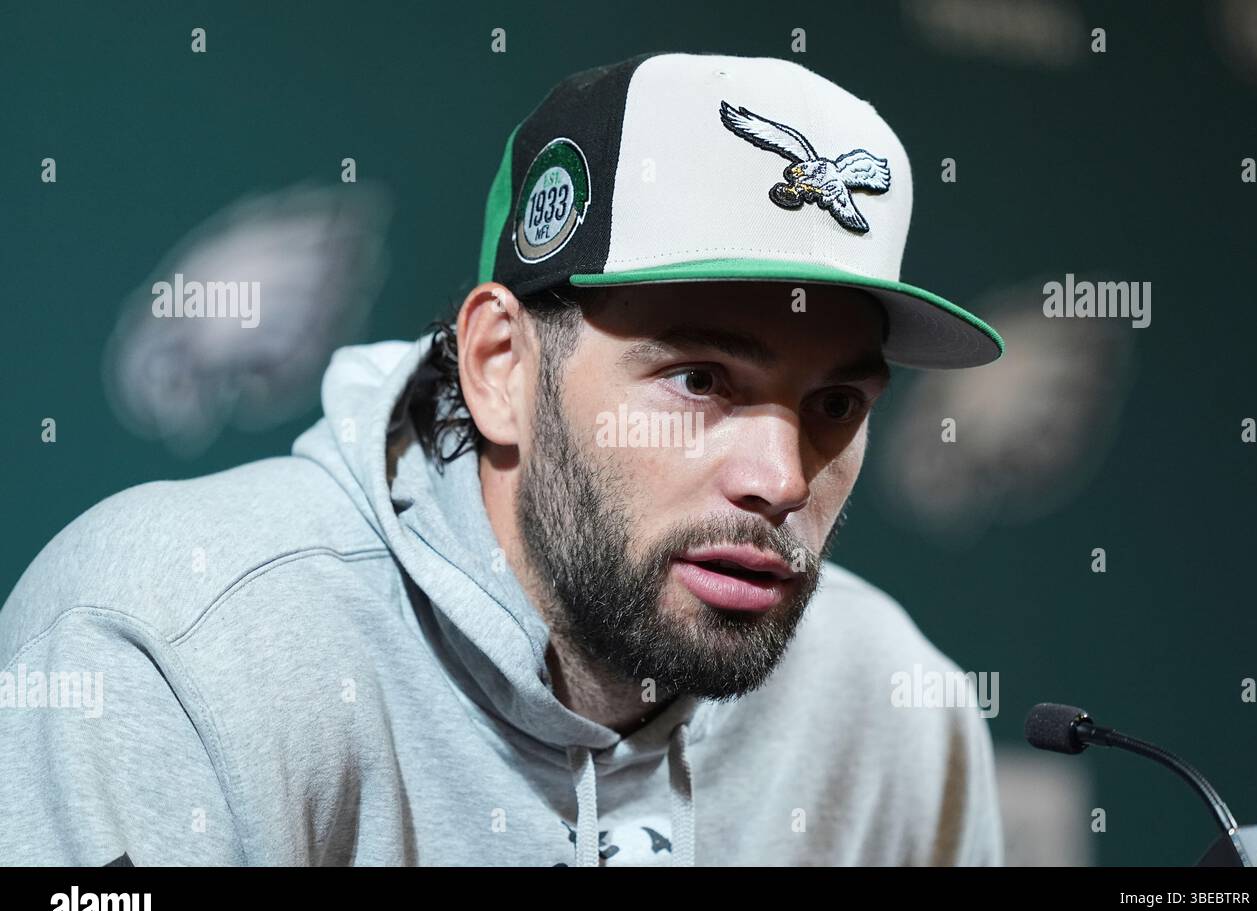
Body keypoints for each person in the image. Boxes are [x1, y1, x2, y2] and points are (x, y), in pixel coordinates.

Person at [0, 51, 1006, 866]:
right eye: (699, 380)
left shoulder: (891, 705)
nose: (781, 478)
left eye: (835, 401)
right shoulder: (173, 648)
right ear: (500, 366)